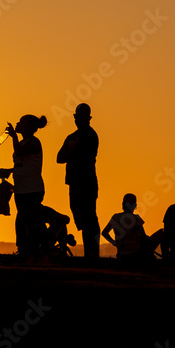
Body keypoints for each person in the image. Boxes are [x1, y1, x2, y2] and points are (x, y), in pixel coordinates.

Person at [0, 114, 48, 261]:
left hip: (32, 189)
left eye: (21, 122)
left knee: (32, 223)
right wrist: (9, 171)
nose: (18, 124)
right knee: (27, 221)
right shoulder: (25, 142)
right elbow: (23, 164)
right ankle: (33, 252)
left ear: (30, 127)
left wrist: (13, 137)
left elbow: (19, 152)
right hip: (21, 189)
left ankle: (37, 252)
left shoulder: (34, 142)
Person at [56, 103, 100, 260]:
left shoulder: (90, 135)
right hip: (74, 182)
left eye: (83, 117)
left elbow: (81, 154)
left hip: (86, 182)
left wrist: (71, 150)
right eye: (78, 116)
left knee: (89, 218)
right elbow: (59, 158)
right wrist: (71, 150)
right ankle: (90, 252)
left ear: (88, 118)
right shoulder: (72, 137)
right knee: (81, 217)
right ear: (75, 118)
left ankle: (92, 253)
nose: (80, 119)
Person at [103, 194, 162, 264]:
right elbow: (144, 238)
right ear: (134, 206)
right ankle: (164, 258)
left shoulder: (115, 217)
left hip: (121, 254)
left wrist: (115, 243)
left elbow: (104, 233)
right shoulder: (136, 218)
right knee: (162, 232)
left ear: (123, 204)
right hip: (136, 253)